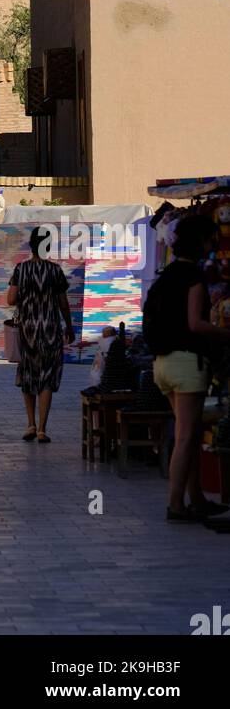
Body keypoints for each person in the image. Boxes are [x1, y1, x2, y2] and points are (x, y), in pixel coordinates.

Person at [143, 212, 230, 522]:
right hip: (186, 365)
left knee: (187, 436)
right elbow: (196, 323)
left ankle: (196, 498)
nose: (213, 243)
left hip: (162, 365)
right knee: (185, 437)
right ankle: (176, 504)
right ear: (201, 241)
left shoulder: (163, 278)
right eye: (209, 239)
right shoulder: (193, 279)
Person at [6, 225, 75, 443]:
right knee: (46, 378)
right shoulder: (55, 271)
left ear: (31, 246)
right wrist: (70, 327)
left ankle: (30, 424)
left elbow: (10, 299)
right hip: (51, 330)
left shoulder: (21, 269)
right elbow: (63, 303)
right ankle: (43, 429)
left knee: (28, 375)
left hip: (28, 330)